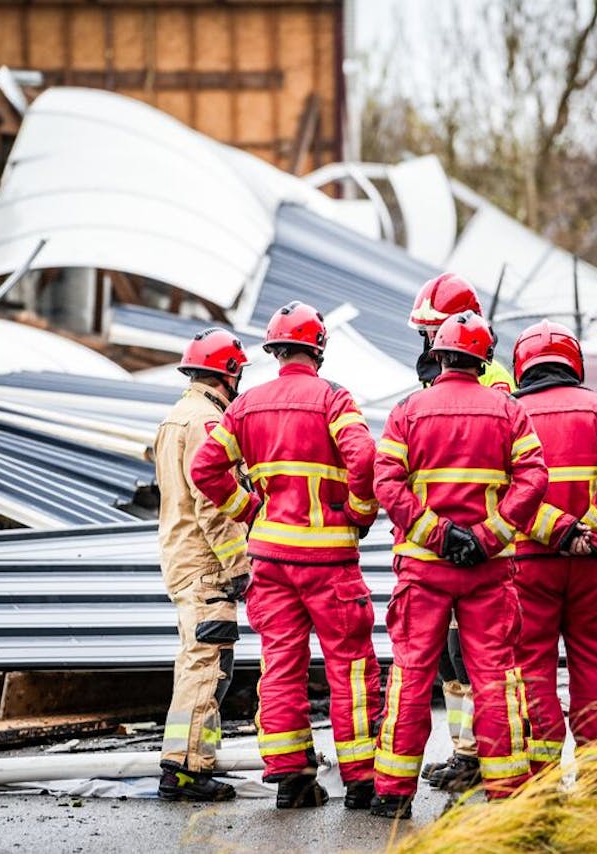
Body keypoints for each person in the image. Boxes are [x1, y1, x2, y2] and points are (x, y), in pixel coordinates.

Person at [190, 302, 382, 810]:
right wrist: (359, 512)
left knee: (280, 667)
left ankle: (292, 779)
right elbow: (364, 458)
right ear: (318, 349)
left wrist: (251, 508)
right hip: (329, 562)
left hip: (272, 561)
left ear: (274, 350)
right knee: (350, 668)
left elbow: (205, 469)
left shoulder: (245, 404)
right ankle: (362, 782)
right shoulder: (335, 400)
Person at [369, 310, 548, 818]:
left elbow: (387, 483)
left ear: (439, 355)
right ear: (483, 358)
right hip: (488, 571)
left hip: (425, 567)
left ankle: (393, 793)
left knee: (411, 674)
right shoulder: (510, 412)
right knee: (495, 677)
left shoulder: (408, 410)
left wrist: (436, 534)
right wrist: (487, 536)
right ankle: (507, 788)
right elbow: (534, 479)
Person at [509, 320, 597, 782]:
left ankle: (541, 777)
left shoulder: (509, 413)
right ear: (573, 363)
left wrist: (555, 530)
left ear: (522, 365)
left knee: (532, 668)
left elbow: (506, 491)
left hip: (529, 564)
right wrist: (592, 534)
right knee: (596, 664)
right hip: (594, 566)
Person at [405, 272, 513, 791]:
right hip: (445, 547)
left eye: (432, 330)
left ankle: (479, 756)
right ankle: (466, 750)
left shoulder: (492, 387)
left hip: (479, 549)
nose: (425, 340)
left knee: (478, 661)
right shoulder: (438, 381)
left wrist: (474, 536)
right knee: (455, 659)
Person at [154, 328, 252, 802]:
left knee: (202, 659)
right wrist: (239, 564)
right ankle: (185, 769)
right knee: (206, 664)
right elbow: (213, 502)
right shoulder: (206, 424)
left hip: (183, 557)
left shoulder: (176, 417)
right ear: (229, 373)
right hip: (205, 562)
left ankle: (194, 763)